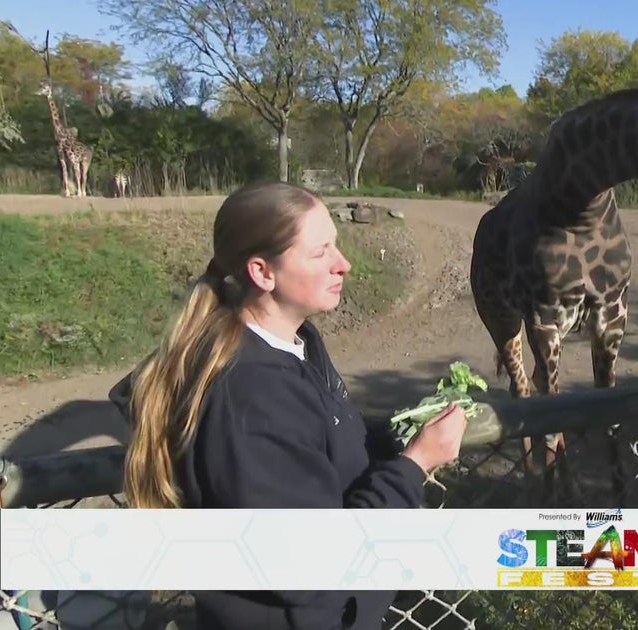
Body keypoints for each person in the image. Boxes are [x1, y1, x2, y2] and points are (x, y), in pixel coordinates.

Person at [108, 181, 468, 629]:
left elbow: (314, 443)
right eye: (321, 253)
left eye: (336, 245)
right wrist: (415, 464)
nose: (344, 264)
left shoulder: (299, 344)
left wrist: (393, 435)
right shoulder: (247, 395)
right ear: (263, 272)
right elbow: (312, 564)